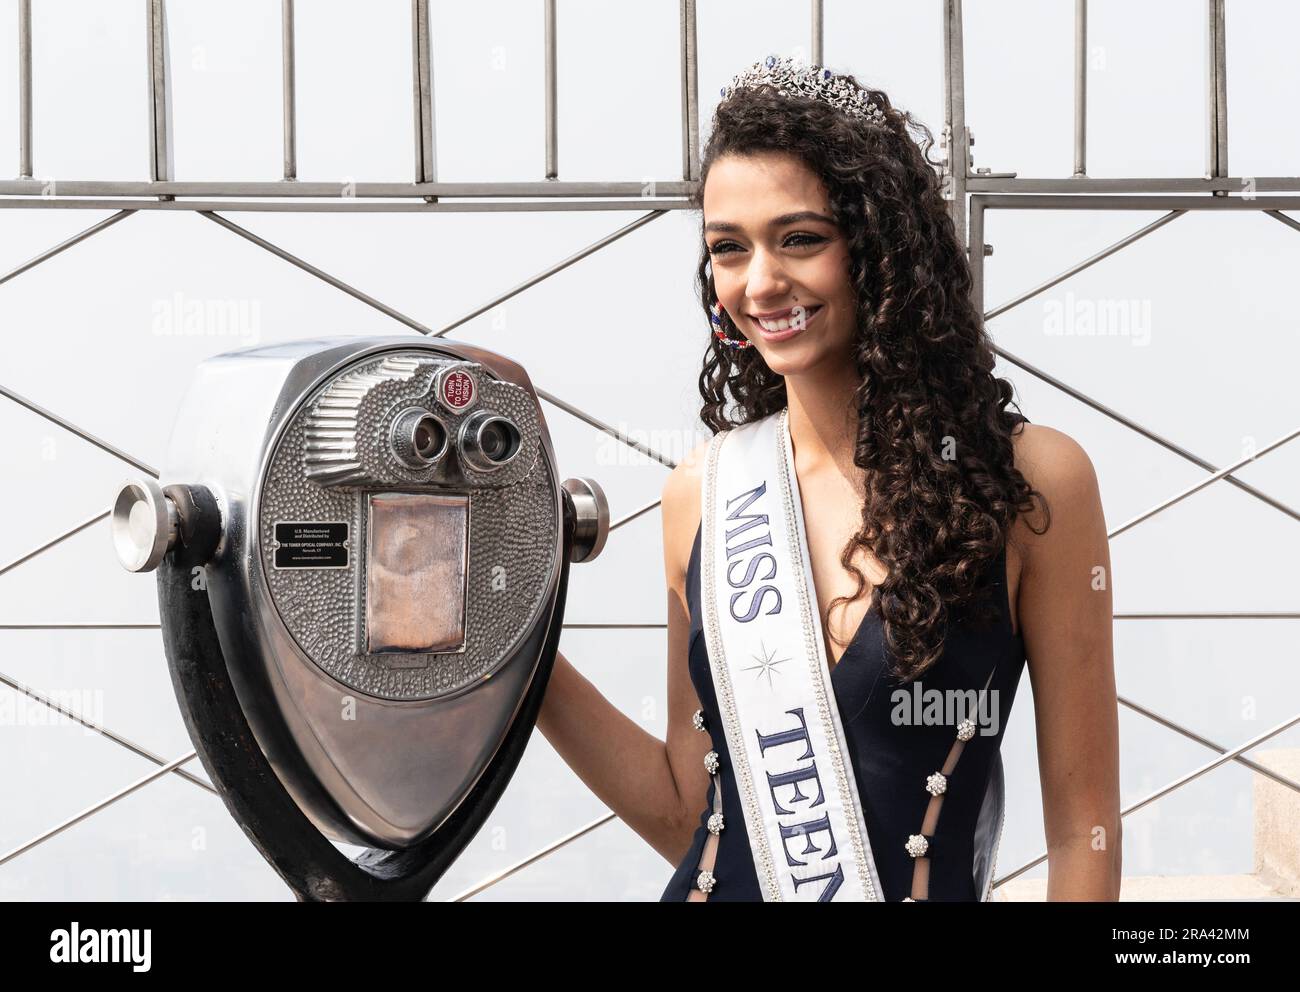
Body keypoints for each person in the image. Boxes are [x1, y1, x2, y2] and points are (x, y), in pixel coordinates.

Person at [536, 55, 1121, 901]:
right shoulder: (703, 491)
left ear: (880, 246)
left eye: (799, 238)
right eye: (728, 249)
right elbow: (688, 811)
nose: (761, 282)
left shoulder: (1034, 482)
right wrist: (523, 656)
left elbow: (1084, 831)